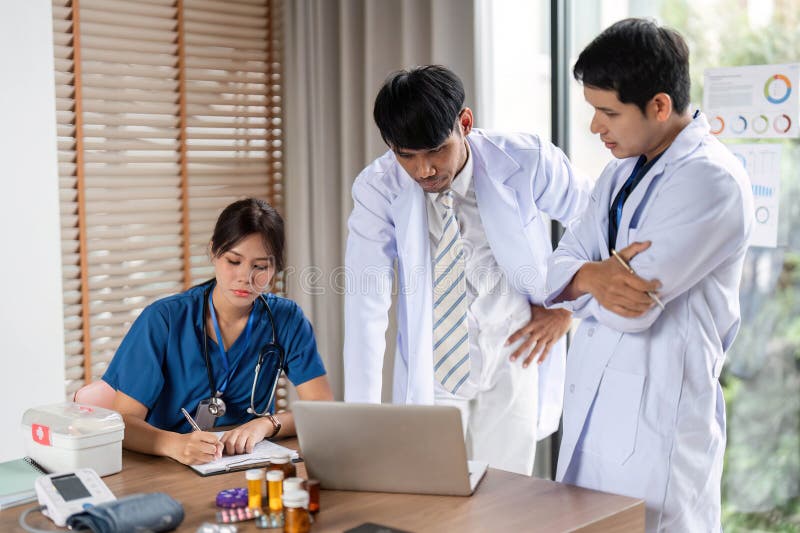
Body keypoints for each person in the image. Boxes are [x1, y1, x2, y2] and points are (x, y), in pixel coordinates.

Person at [544, 19, 754, 531]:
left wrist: (578, 280)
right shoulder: (619, 174)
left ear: (659, 105)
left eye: (608, 112)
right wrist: (592, 277)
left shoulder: (710, 180)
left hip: (657, 433)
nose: (596, 127)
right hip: (595, 423)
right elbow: (556, 265)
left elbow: (632, 311)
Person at [344, 65, 590, 475]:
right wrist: (363, 420)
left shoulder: (527, 159)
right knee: (433, 498)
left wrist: (568, 309)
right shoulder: (378, 188)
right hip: (436, 365)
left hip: (516, 351)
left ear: (466, 123)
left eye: (436, 150)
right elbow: (365, 302)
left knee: (507, 501)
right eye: (406, 155)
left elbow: (596, 220)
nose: (424, 170)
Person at [103, 198, 334, 465]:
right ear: (214, 252)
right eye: (234, 261)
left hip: (248, 465)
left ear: (275, 268)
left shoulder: (286, 319)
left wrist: (266, 424)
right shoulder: (164, 319)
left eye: (260, 266)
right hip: (171, 466)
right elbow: (123, 424)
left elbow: (321, 410)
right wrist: (173, 444)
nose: (245, 278)